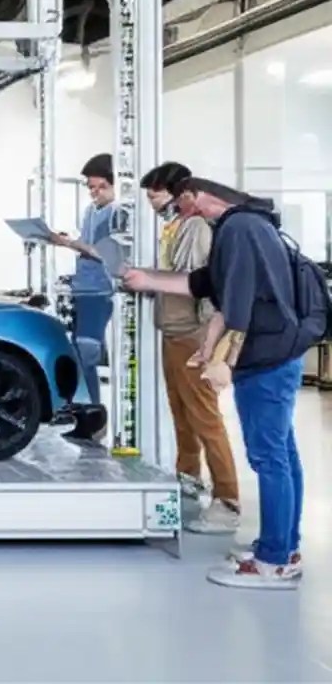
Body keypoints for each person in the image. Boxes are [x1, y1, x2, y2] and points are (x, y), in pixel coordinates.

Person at [122, 176, 313, 589]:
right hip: (278, 353)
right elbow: (206, 285)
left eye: (181, 200)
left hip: (265, 358)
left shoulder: (239, 228)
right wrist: (149, 281)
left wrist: (226, 358)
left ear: (197, 196)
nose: (177, 208)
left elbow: (239, 297)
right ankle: (282, 547)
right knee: (281, 453)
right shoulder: (247, 226)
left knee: (268, 457)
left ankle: (274, 562)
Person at [140, 162, 240, 534]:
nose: (154, 203)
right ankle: (188, 476)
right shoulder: (173, 228)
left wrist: (147, 279)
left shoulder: (196, 227)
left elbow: (193, 281)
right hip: (171, 331)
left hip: (193, 334)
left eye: (157, 195)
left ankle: (227, 498)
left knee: (204, 416)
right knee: (180, 412)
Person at [49, 153, 117, 404]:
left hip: (100, 290)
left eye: (102, 187)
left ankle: (92, 411)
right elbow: (88, 244)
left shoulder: (117, 213)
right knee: (78, 349)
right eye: (91, 187)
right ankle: (82, 408)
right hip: (84, 288)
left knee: (88, 349)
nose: (95, 192)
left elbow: (105, 253)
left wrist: (72, 244)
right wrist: (70, 241)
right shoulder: (90, 211)